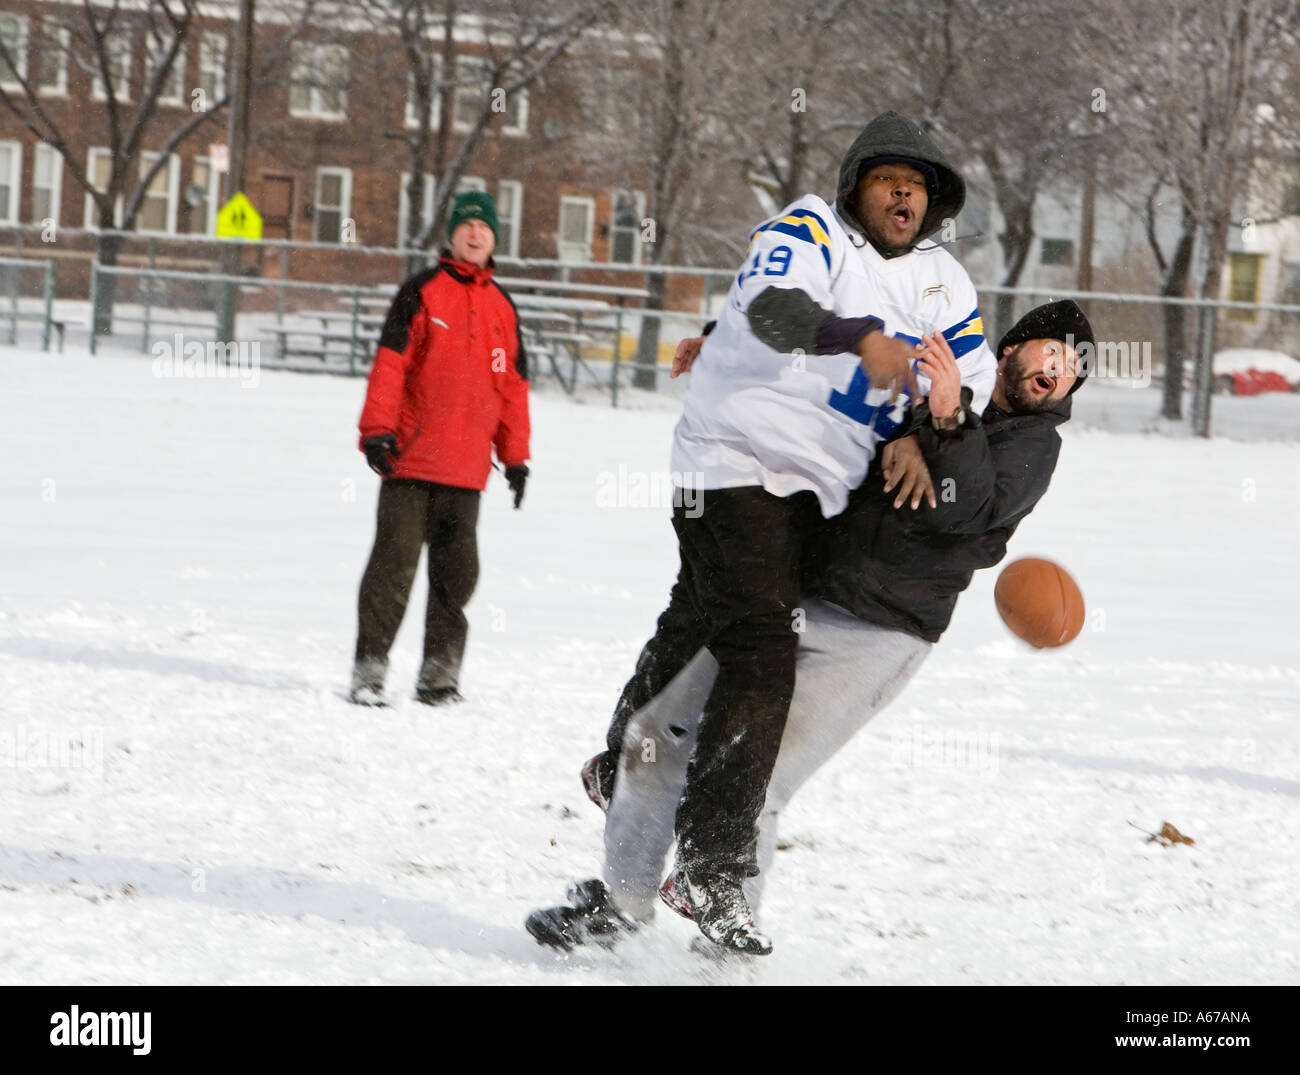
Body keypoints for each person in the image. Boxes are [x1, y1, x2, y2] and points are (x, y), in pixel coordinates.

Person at [526, 299, 1094, 954]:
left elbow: (965, 518)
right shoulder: (943, 383)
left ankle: (724, 958)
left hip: (879, 633)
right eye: (1051, 349)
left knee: (757, 773)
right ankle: (620, 908)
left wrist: (943, 419)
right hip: (794, 594)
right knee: (653, 738)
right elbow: (828, 386)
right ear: (1015, 348)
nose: (1059, 368)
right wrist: (727, 349)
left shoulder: (1033, 442)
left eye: (1073, 366)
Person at [557, 111, 997, 955]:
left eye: (920, 184)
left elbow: (960, 389)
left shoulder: (948, 285)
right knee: (762, 645)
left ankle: (623, 764)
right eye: (887, 178)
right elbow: (769, 311)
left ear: (935, 202)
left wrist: (920, 428)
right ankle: (714, 864)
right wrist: (857, 336)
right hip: (734, 458)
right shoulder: (810, 227)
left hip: (820, 493)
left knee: (701, 634)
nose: (904, 193)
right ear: (855, 184)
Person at [348, 190, 530, 707]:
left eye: (485, 227)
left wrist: (516, 457)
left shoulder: (502, 308)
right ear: (451, 234)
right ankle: (369, 673)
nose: (476, 234)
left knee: (457, 581)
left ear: (495, 238)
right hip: (411, 462)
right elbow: (390, 364)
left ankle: (439, 679)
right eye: (467, 225)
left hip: (468, 472)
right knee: (392, 573)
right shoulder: (421, 291)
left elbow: (511, 388)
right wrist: (377, 431)